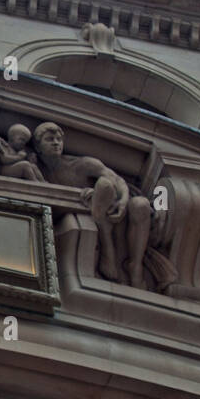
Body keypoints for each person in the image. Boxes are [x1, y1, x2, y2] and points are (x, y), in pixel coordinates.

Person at [31, 121, 152, 287]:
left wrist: (123, 201)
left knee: (107, 186)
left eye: (59, 139)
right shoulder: (35, 167)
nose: (56, 142)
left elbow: (115, 179)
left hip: (111, 209)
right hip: (81, 217)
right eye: (49, 139)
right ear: (37, 147)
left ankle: (130, 264)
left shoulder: (81, 164)